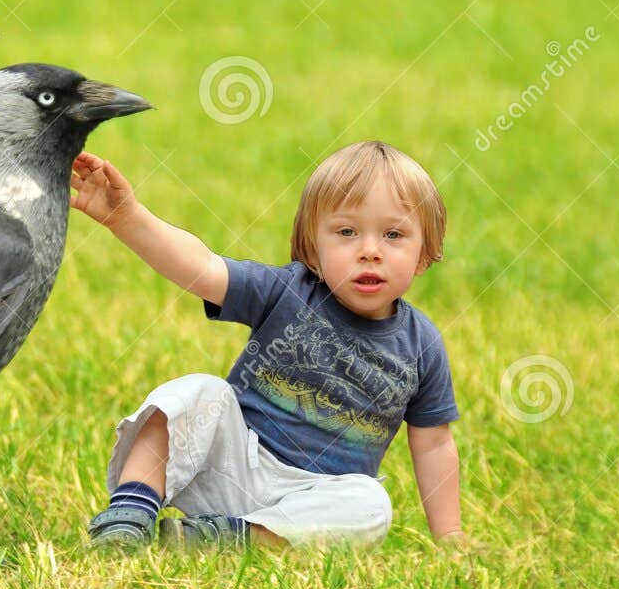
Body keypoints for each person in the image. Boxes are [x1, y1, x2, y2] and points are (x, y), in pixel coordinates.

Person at [70, 140, 464, 549]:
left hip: (315, 500)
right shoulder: (287, 292)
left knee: (372, 504)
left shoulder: (422, 345)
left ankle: (228, 536)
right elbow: (202, 267)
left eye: (393, 234)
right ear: (313, 246)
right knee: (199, 392)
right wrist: (128, 217)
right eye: (346, 232)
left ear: (424, 253)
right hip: (233, 467)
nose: (369, 251)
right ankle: (130, 514)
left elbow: (433, 443)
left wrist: (450, 534)